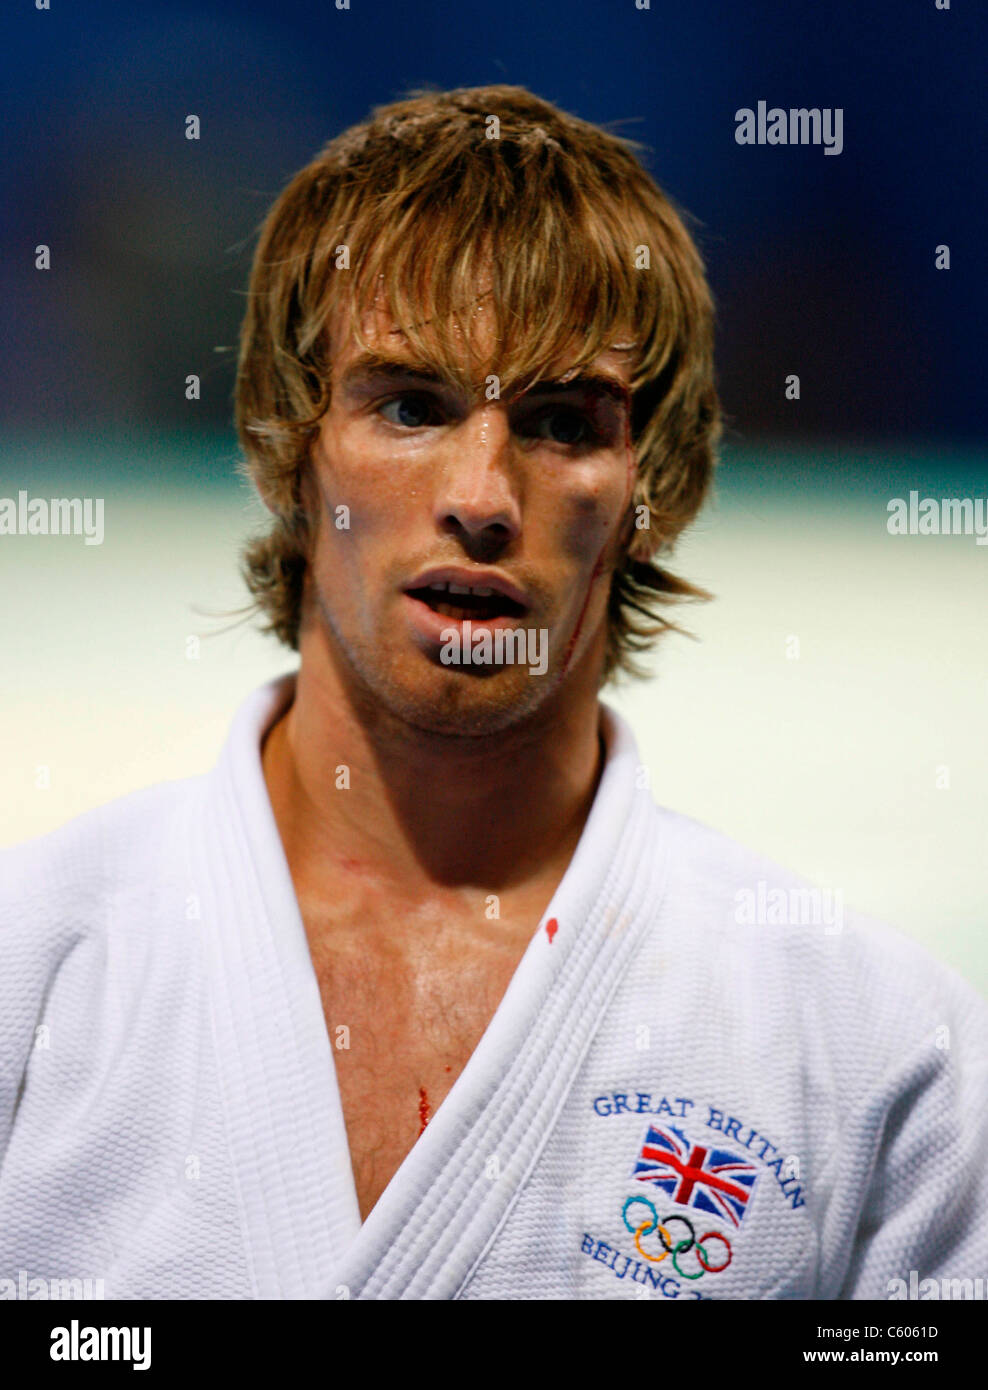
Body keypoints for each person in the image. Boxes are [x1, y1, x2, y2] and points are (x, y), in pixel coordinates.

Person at [1, 84, 985, 1302]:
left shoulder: (877, 1054)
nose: (483, 494)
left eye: (563, 422)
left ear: (649, 490)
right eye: (409, 406)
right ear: (286, 445)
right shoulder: (28, 971)